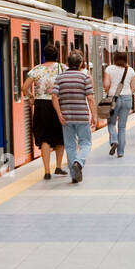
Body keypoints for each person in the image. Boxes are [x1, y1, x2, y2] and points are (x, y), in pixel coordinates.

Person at [22, 41, 66, 180]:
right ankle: (58, 167)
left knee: (44, 138)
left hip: (41, 105)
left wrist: (31, 96)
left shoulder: (36, 69)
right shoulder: (63, 68)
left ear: (44, 56)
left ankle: (47, 171)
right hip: (58, 103)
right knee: (59, 136)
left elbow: (24, 88)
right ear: (57, 55)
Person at [51, 50, 96, 183]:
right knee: (86, 143)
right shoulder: (85, 78)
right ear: (81, 63)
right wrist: (94, 115)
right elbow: (90, 98)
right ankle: (79, 162)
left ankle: (74, 176)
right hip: (82, 116)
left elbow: (54, 96)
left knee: (70, 145)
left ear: (67, 63)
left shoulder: (60, 77)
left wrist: (59, 114)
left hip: (66, 117)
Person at [104, 51, 135, 158]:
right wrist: (128, 94)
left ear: (114, 58)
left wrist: (109, 92)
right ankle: (121, 152)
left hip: (114, 98)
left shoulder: (109, 69)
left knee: (111, 123)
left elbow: (106, 84)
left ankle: (114, 140)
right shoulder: (130, 70)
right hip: (127, 98)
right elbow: (134, 87)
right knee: (122, 127)